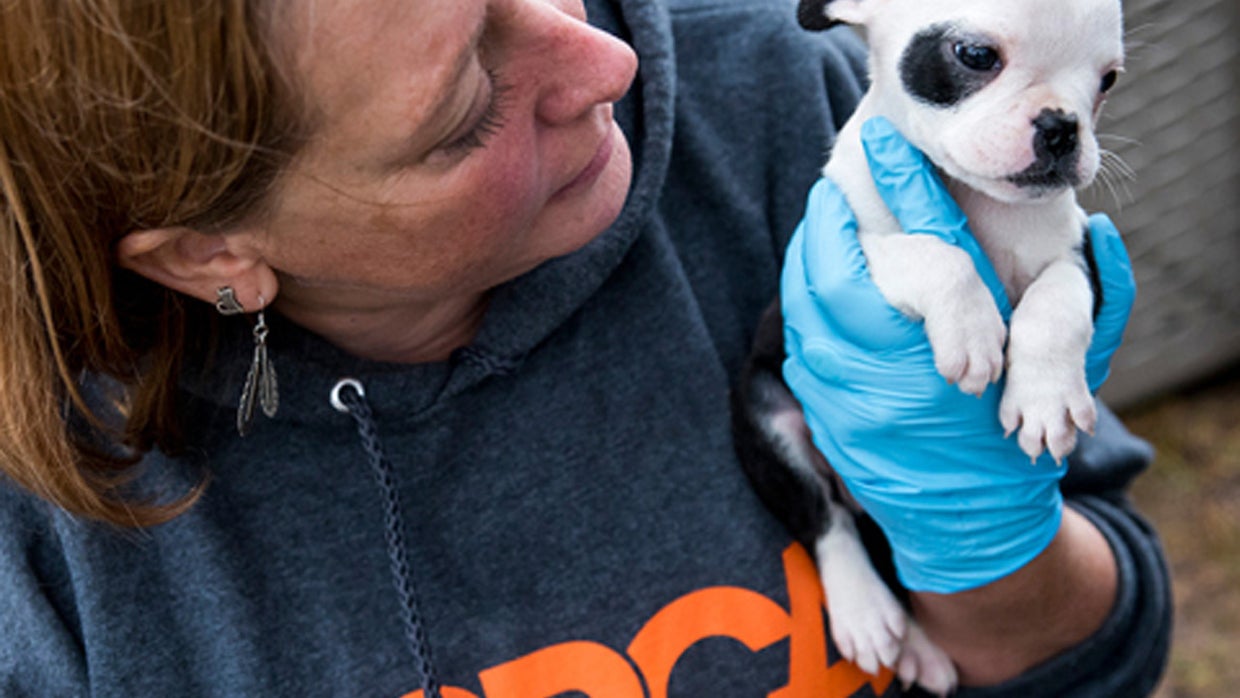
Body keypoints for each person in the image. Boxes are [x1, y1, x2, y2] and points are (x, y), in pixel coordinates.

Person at [0, 1, 1169, 697]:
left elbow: (1105, 653)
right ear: (210, 251)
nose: (606, 63)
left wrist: (979, 539)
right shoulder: (46, 531)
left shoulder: (777, 95)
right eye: (464, 115)